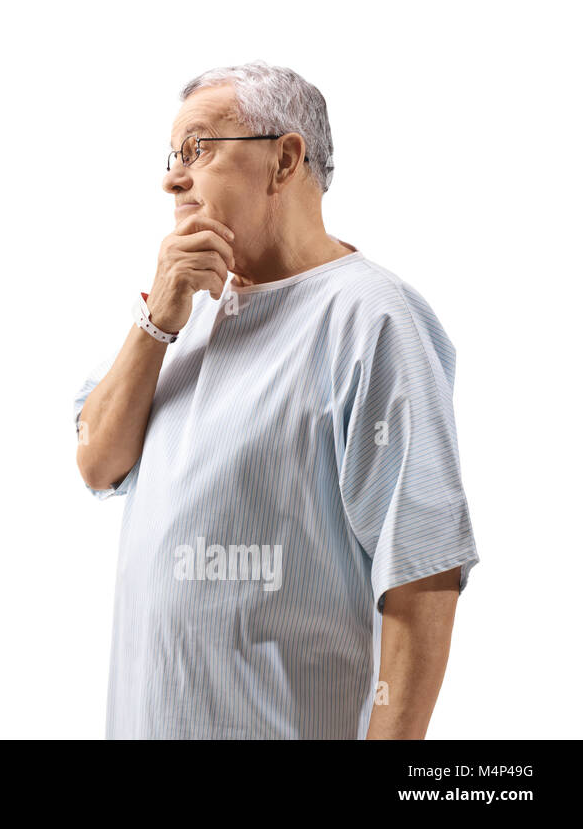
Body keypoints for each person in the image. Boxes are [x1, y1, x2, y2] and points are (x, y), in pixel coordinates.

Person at [73, 60, 478, 739]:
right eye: (173, 157)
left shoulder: (372, 318)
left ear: (285, 159)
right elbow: (96, 463)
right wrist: (158, 321)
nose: (173, 178)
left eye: (198, 149)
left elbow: (422, 571)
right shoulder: (185, 306)